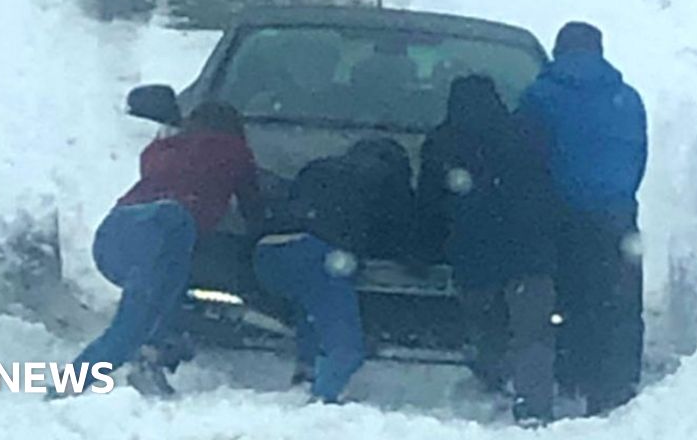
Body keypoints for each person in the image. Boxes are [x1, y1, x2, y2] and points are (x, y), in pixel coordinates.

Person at [68, 101, 263, 395]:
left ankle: (151, 360)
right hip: (167, 227)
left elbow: (175, 173)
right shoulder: (234, 151)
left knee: (165, 299)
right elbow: (254, 210)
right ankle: (68, 387)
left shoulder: (162, 149)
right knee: (135, 323)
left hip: (114, 230)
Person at [517, 22, 648, 416]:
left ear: (558, 51)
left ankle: (568, 373)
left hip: (558, 216)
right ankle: (614, 390)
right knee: (617, 305)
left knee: (563, 300)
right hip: (616, 215)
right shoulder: (628, 98)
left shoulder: (539, 96)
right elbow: (638, 156)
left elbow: (527, 157)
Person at [416, 75, 559, 425]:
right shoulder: (526, 133)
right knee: (533, 331)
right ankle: (534, 406)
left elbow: (428, 206)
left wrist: (420, 252)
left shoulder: (442, 141)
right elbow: (549, 189)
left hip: (474, 253)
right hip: (530, 251)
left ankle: (493, 378)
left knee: (486, 321)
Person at [254, 139, 413, 403]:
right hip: (319, 254)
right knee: (346, 347)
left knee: (310, 309)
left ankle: (306, 372)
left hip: (266, 250)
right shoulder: (386, 182)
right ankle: (321, 402)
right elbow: (396, 232)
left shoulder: (318, 168)